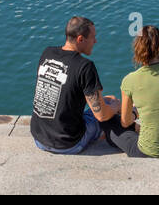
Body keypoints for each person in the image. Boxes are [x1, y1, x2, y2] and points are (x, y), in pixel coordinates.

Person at [30, 16, 120, 154]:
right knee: (109, 104)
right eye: (93, 37)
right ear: (80, 39)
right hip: (68, 144)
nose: (95, 41)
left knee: (103, 103)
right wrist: (116, 107)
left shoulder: (47, 53)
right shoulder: (85, 67)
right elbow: (101, 115)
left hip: (39, 138)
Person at [107, 25, 159, 158]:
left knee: (109, 121)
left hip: (145, 153)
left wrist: (135, 113)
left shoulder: (129, 80)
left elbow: (125, 122)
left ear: (137, 50)